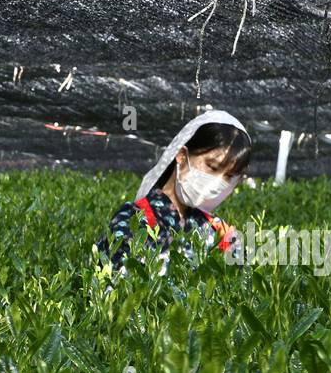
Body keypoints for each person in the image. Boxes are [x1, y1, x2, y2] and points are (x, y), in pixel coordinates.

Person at [95, 109, 252, 276]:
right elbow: (114, 292)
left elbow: (242, 285)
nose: (217, 182)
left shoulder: (217, 230)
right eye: (212, 167)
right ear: (182, 156)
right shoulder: (135, 221)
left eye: (229, 176)